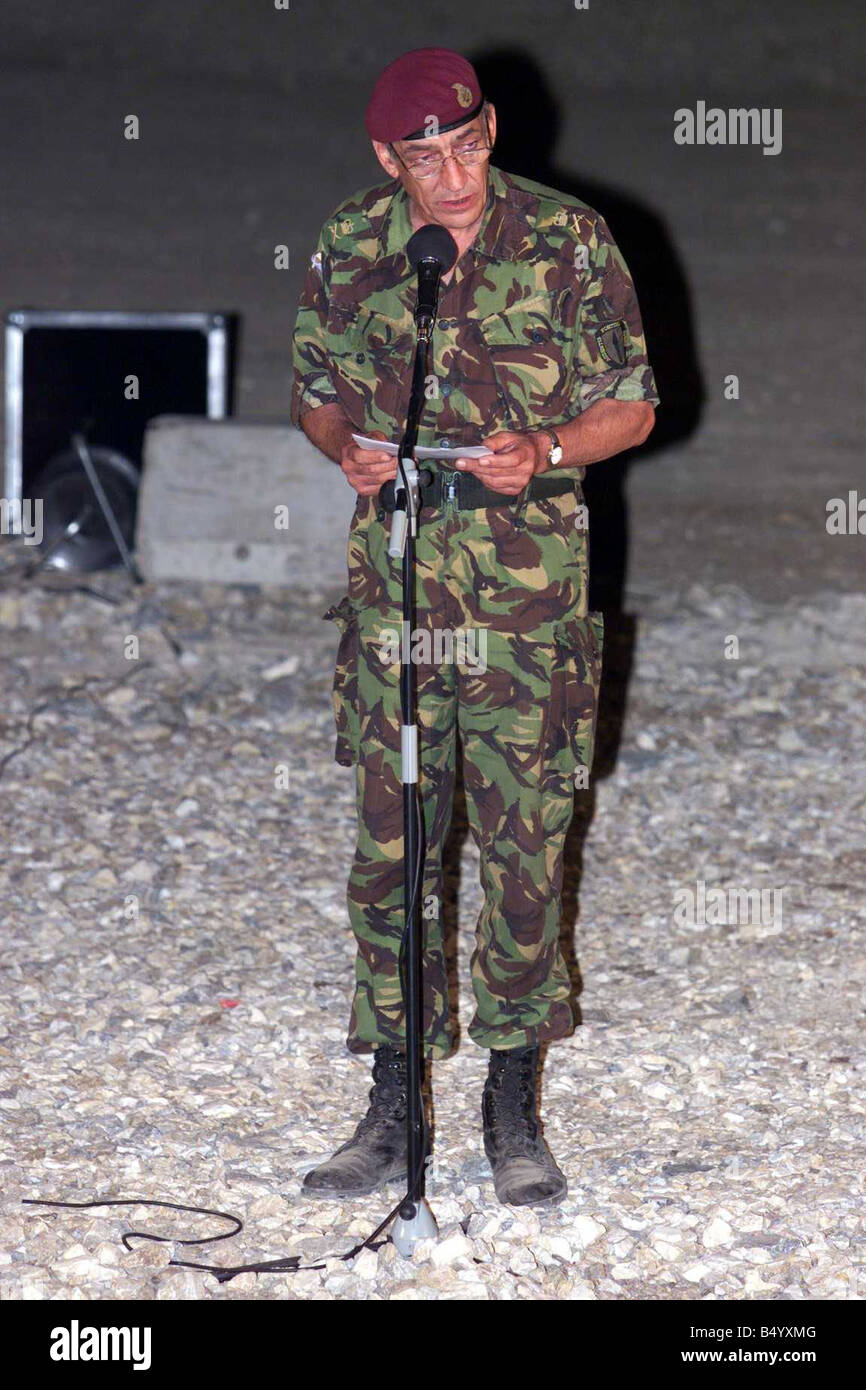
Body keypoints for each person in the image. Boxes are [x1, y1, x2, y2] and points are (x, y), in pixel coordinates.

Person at [290, 47, 659, 1206]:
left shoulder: (570, 240)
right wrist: (338, 447)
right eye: (420, 157)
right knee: (391, 843)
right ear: (383, 160)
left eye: (462, 145)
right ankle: (392, 1102)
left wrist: (544, 450)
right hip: (397, 583)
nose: (448, 176)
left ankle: (513, 1101)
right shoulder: (354, 243)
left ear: (490, 129)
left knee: (520, 841)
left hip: (526, 591)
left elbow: (633, 405)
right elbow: (312, 389)